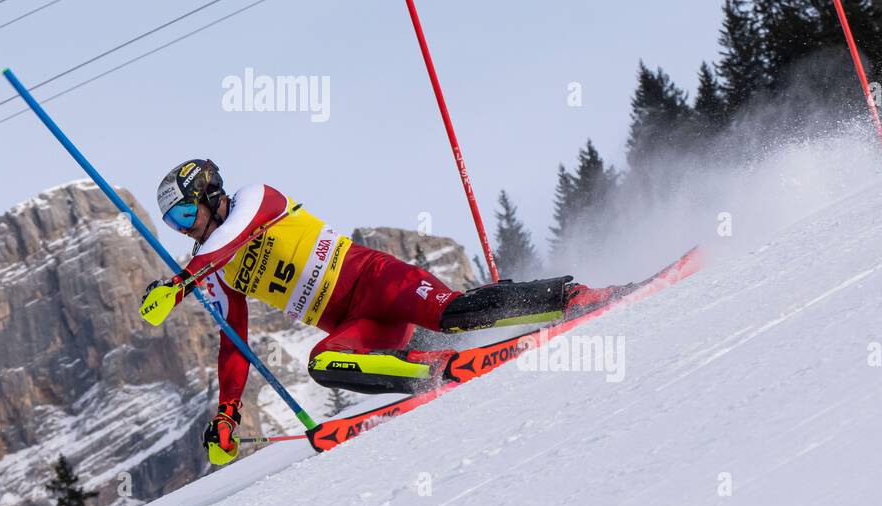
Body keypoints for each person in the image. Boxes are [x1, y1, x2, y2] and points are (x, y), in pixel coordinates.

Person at [140, 158, 619, 465]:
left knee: (457, 315)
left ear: (209, 196)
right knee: (325, 362)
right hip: (358, 324)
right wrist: (227, 415)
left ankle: (570, 297)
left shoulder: (255, 198)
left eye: (185, 215)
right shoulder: (217, 271)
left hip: (378, 282)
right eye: (172, 224)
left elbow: (231, 237)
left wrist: (180, 284)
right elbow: (233, 343)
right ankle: (432, 370)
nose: (184, 230)